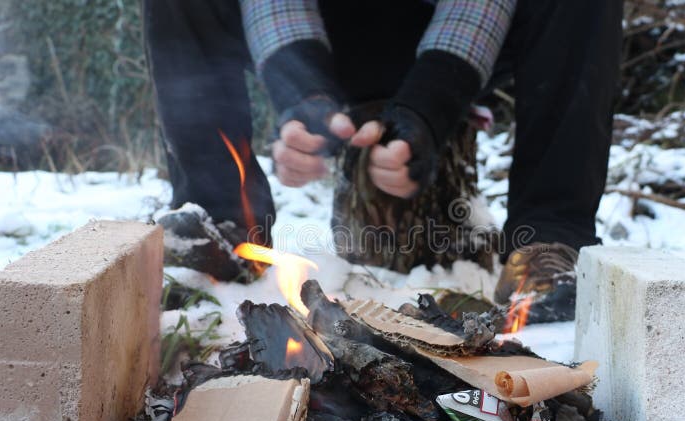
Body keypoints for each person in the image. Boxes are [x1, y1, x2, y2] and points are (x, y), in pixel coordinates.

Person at [145, 0, 623, 323]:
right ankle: (222, 224)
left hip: (448, 30)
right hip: (327, 34)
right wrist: (303, 90)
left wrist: (430, 104)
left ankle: (549, 239)